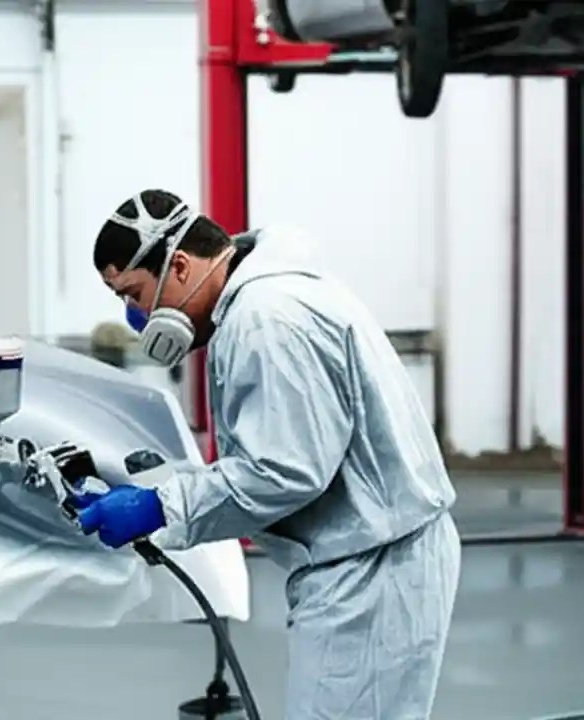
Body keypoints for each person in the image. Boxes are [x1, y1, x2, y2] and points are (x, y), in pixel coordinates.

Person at [81, 189, 462, 719]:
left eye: (135, 294)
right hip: (365, 553)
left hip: (373, 566)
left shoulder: (266, 319)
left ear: (181, 266)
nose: (137, 316)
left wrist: (161, 506)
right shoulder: (259, 303)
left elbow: (284, 471)